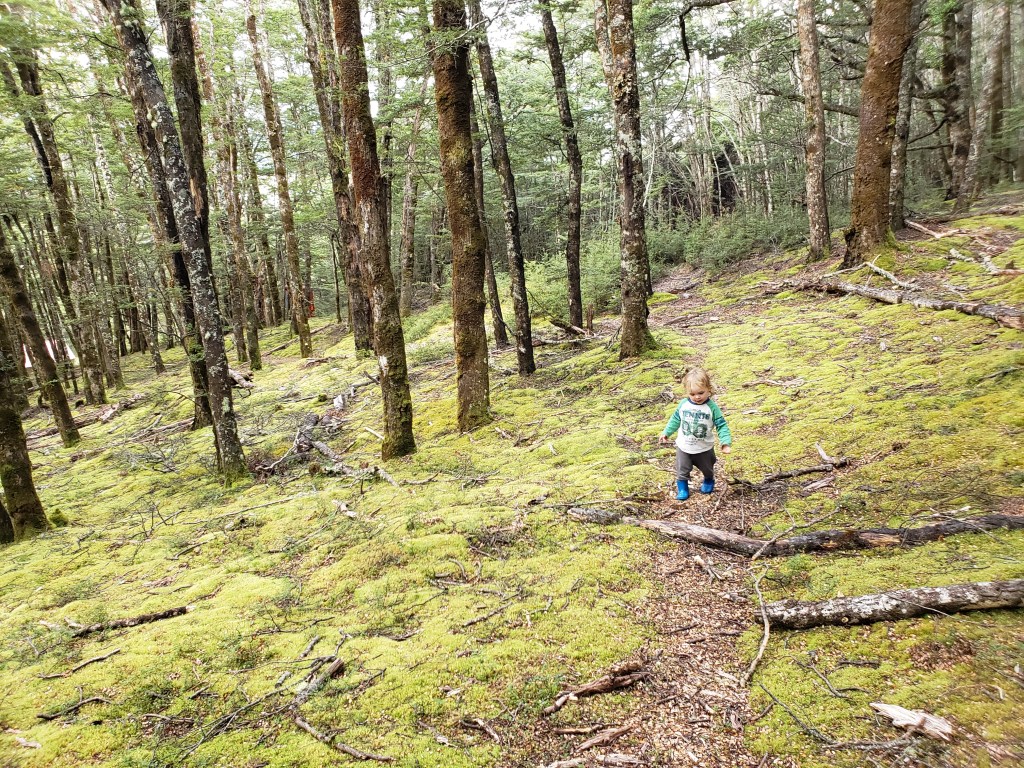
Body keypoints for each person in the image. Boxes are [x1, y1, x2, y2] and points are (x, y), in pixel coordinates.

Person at [658, 368, 732, 500]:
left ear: (709, 389)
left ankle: (709, 480)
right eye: (692, 394)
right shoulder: (684, 405)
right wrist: (666, 433)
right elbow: (675, 419)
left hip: (704, 447)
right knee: (682, 470)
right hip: (684, 446)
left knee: (707, 467)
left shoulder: (712, 408)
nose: (697, 397)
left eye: (701, 393)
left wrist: (725, 442)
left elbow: (721, 425)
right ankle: (682, 488)